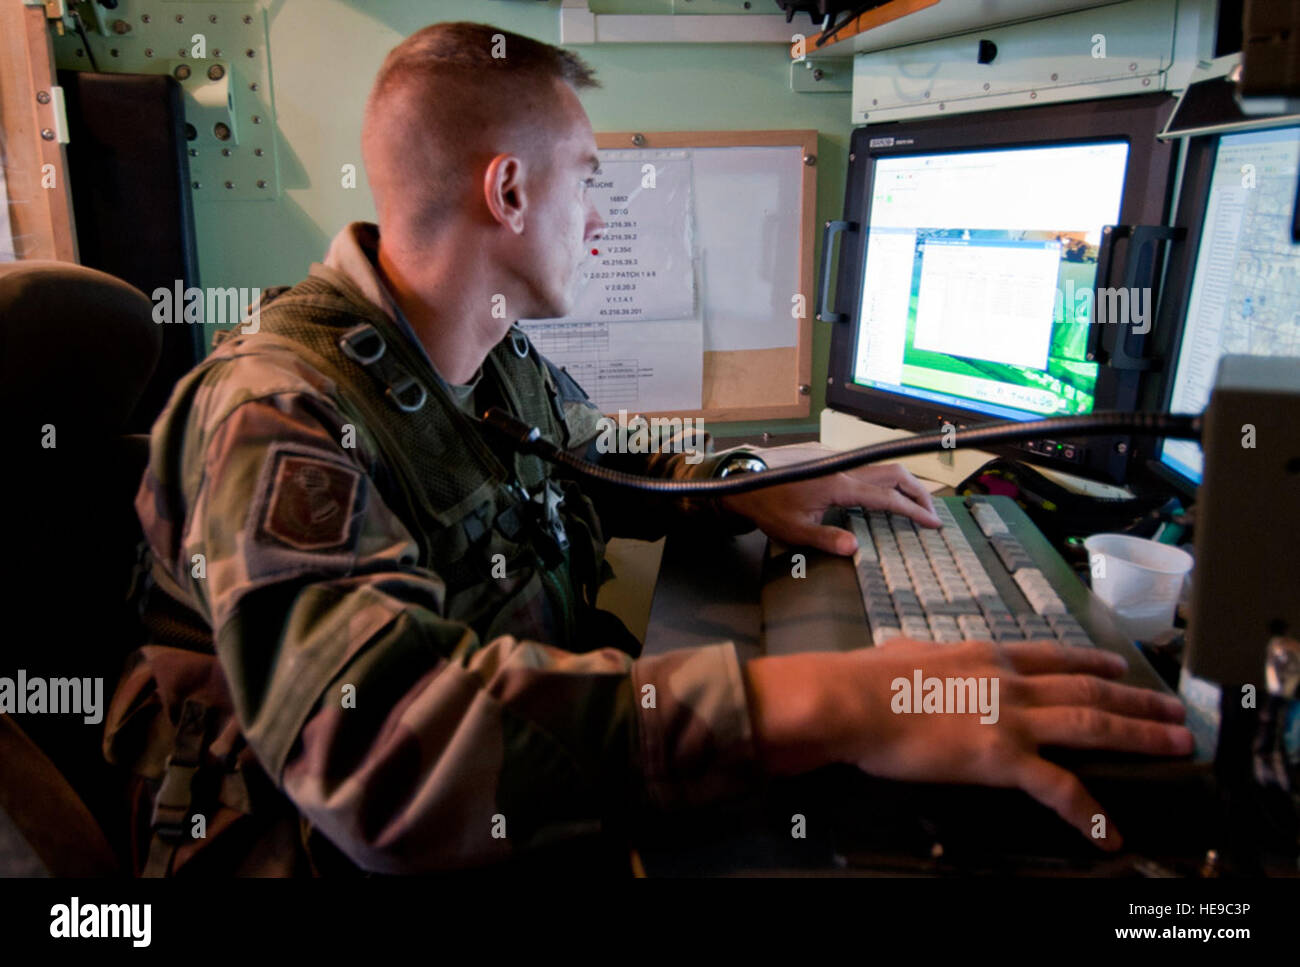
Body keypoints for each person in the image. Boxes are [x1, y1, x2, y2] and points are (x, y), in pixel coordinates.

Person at [106, 21, 1193, 876]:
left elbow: (610, 464)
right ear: (510, 189)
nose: (598, 213)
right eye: (588, 177)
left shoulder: (487, 355)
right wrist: (849, 699)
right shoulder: (275, 407)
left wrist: (752, 487)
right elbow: (388, 759)